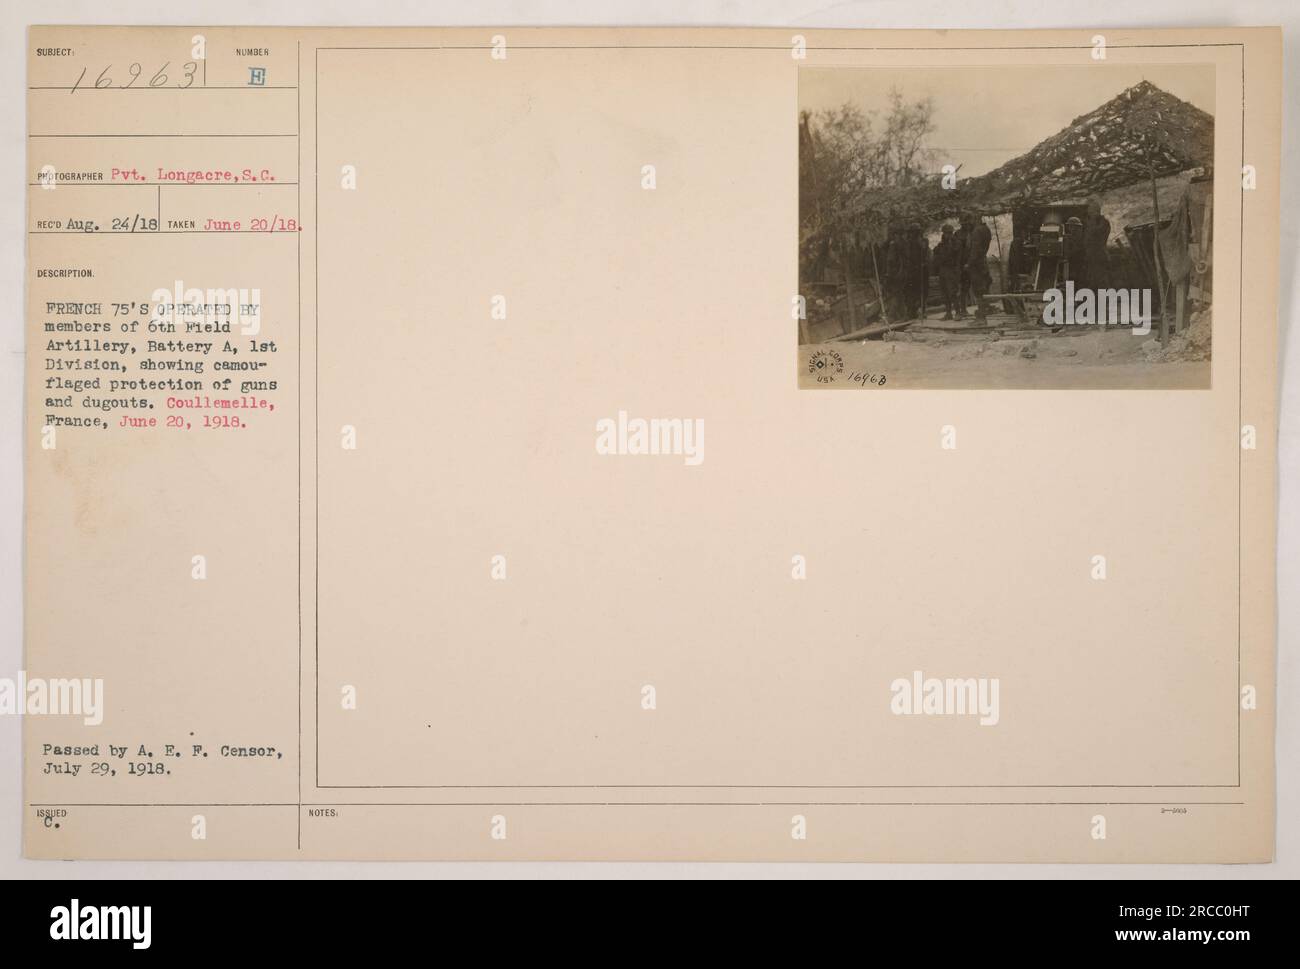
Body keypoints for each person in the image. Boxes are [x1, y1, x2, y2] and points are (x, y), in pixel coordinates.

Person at [964, 212, 992, 320]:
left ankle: (981, 317)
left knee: (978, 290)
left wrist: (968, 263)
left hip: (976, 265)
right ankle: (983, 313)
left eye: (969, 221)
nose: (968, 224)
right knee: (983, 289)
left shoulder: (976, 232)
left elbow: (975, 250)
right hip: (983, 263)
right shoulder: (986, 229)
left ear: (974, 219)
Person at [1082, 196, 1112, 292]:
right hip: (1089, 257)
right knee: (1090, 281)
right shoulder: (1089, 222)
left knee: (1101, 281)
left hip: (1099, 256)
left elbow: (1095, 234)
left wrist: (1091, 221)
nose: (1088, 213)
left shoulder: (1103, 223)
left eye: (1090, 210)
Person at [933, 224, 962, 320]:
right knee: (944, 292)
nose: (947, 235)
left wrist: (949, 245)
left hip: (952, 270)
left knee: (953, 292)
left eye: (949, 233)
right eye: (945, 233)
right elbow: (936, 253)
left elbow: (954, 254)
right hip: (943, 270)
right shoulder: (941, 244)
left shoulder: (956, 243)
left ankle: (958, 312)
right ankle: (948, 313)